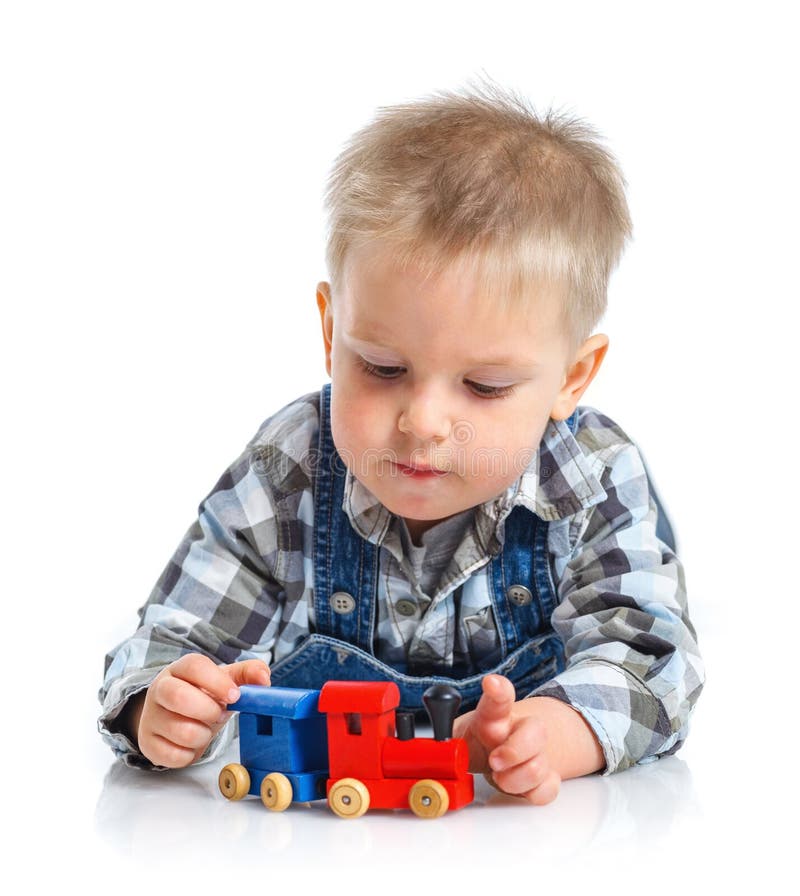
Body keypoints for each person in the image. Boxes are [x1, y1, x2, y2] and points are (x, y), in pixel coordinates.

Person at [99, 83, 704, 805]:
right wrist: (161, 706)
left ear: (572, 378)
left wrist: (558, 728)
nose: (422, 421)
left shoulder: (593, 477)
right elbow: (174, 637)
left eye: (483, 385)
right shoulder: (288, 469)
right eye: (382, 369)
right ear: (332, 334)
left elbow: (651, 659)